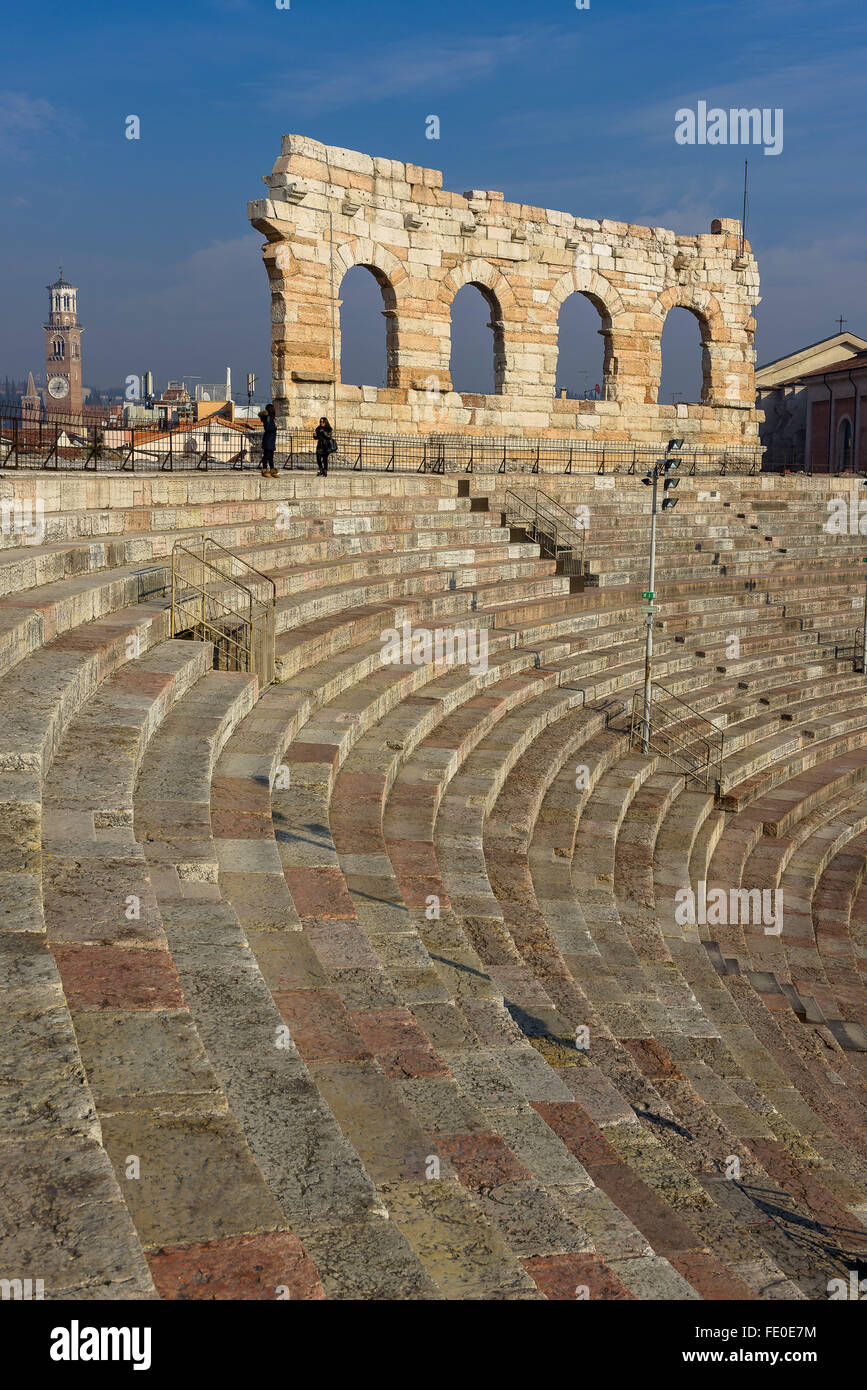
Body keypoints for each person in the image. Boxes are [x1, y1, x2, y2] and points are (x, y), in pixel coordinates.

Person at [258, 403, 279, 477]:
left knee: (270, 457)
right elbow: (267, 428)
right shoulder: (268, 418)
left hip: (271, 440)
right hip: (268, 440)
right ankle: (264, 469)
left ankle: (272, 470)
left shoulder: (270, 418)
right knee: (266, 456)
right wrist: (276, 428)